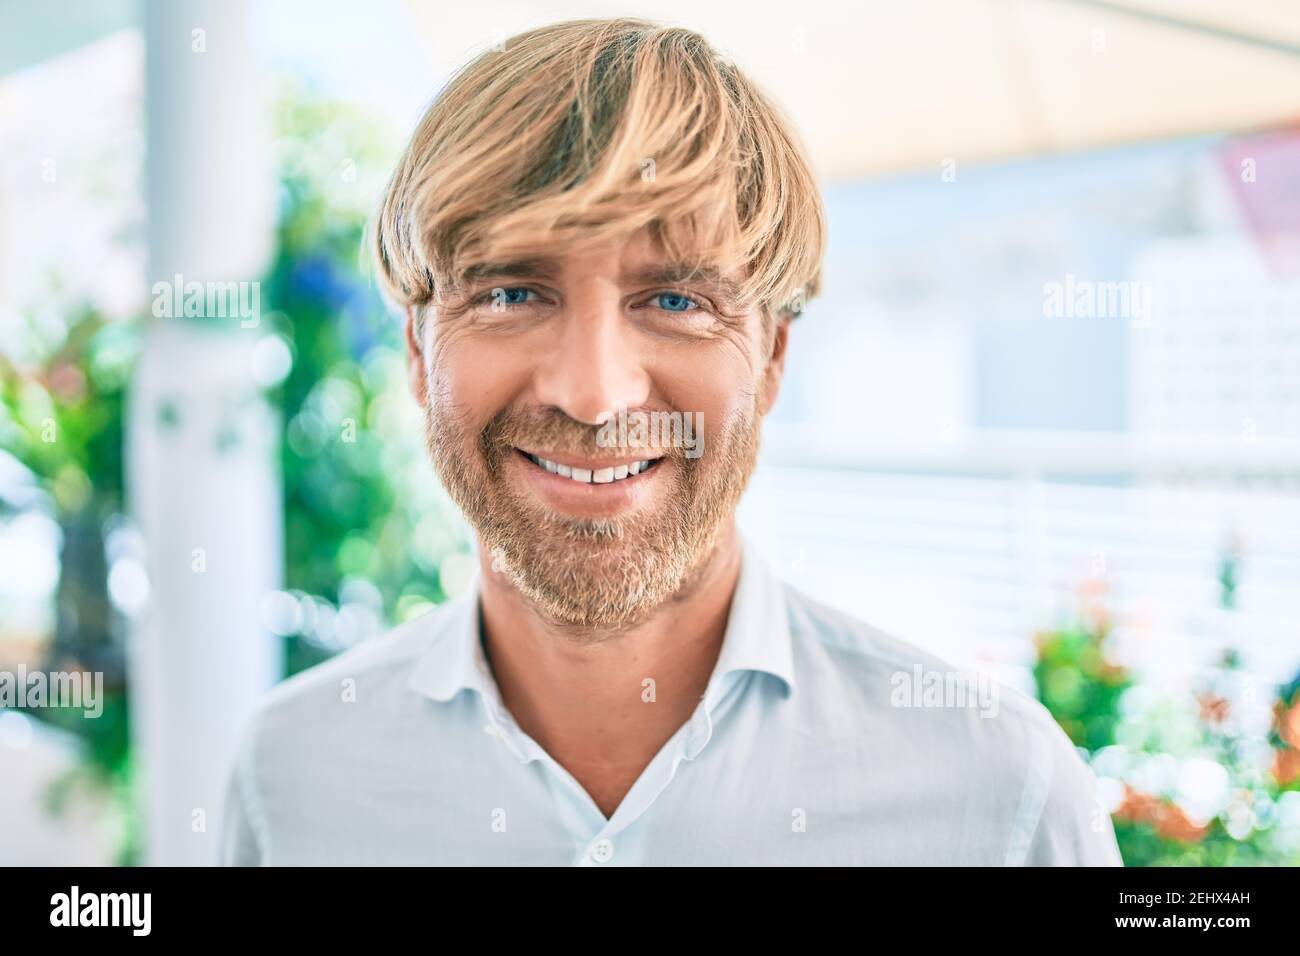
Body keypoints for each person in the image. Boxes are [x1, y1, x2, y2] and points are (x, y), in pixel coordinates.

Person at [220, 17, 1122, 866]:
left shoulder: (1002, 802)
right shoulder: (289, 783)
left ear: (771, 354)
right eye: (509, 292)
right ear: (419, 349)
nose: (593, 393)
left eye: (678, 301)